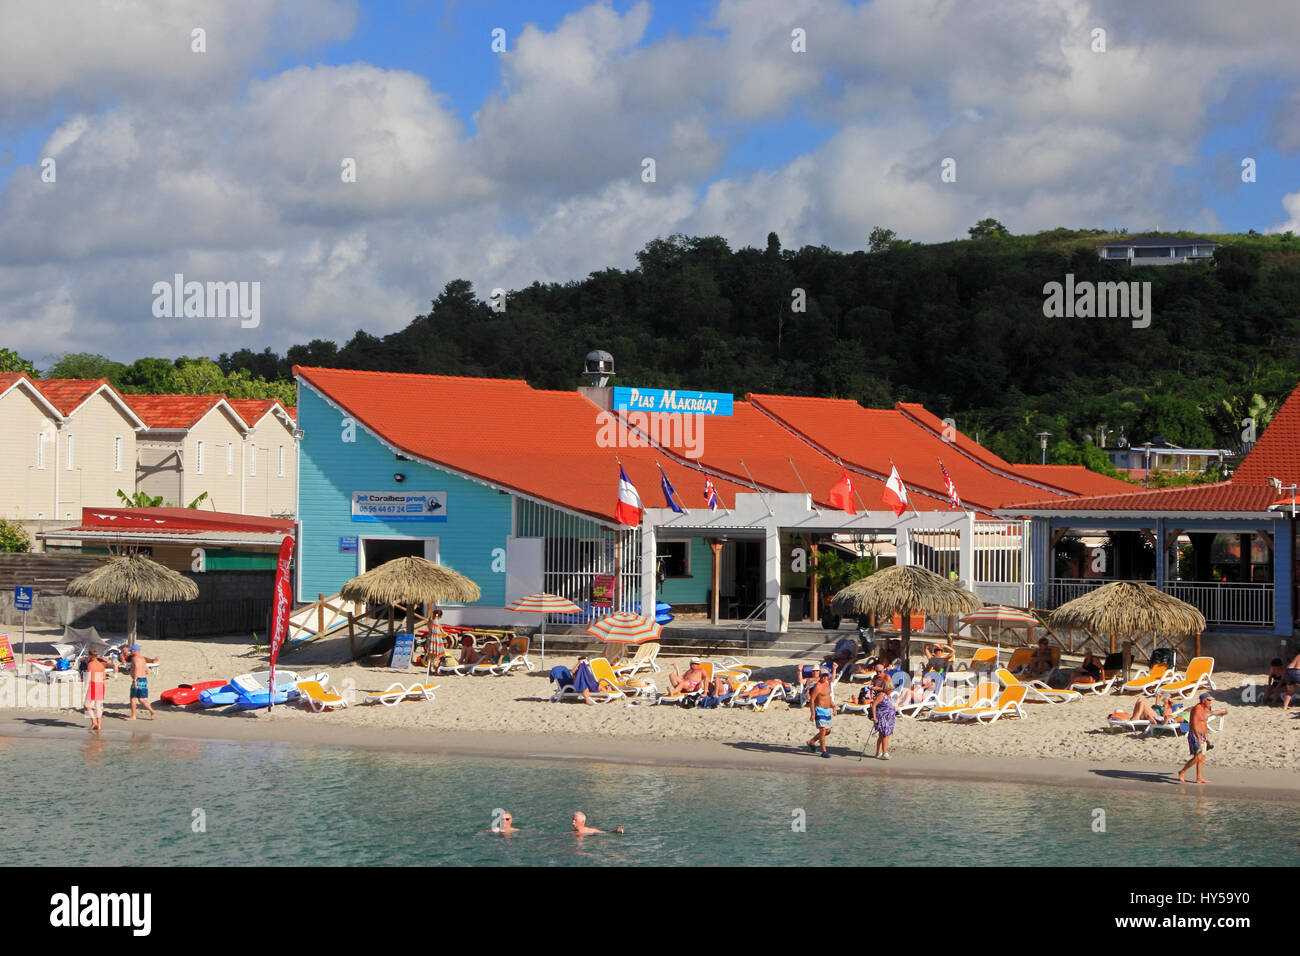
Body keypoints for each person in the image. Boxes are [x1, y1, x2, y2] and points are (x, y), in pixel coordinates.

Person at [1178, 693, 1228, 784]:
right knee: (1197, 757)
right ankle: (1182, 771)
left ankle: (1199, 778)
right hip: (1195, 735)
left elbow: (1205, 721)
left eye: (1210, 700)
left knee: (1202, 757)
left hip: (1202, 735)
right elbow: (1194, 724)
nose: (1210, 702)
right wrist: (1198, 738)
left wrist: (1206, 737)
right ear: (1203, 700)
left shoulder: (1205, 709)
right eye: (1208, 700)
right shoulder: (1197, 709)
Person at [806, 671, 834, 758]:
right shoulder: (817, 687)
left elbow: (828, 697)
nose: (825, 678)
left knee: (828, 731)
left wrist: (834, 707)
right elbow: (812, 700)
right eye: (823, 676)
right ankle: (824, 751)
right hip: (819, 709)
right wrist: (812, 714)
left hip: (827, 710)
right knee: (822, 730)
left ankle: (812, 741)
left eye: (826, 676)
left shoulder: (827, 683)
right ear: (820, 676)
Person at [125, 645, 158, 720]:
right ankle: (152, 711)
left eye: (131, 650)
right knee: (141, 699)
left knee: (133, 698)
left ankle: (133, 716)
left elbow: (136, 668)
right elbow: (146, 670)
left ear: (135, 651)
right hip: (144, 679)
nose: (130, 652)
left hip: (138, 679)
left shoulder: (135, 658)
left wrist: (135, 680)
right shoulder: (142, 658)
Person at [83, 649, 107, 732]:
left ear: (90, 656)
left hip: (94, 685)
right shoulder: (101, 664)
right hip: (101, 685)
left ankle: (94, 722)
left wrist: (85, 688)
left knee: (87, 705)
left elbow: (88, 676)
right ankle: (99, 725)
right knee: (98, 706)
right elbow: (104, 677)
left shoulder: (90, 664)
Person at [871, 686, 896, 759]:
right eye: (890, 689)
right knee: (885, 734)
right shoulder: (881, 695)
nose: (891, 690)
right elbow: (874, 705)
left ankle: (878, 753)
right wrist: (874, 717)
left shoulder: (889, 696)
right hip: (882, 718)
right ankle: (885, 753)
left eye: (892, 689)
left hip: (889, 718)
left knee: (882, 735)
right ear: (887, 688)